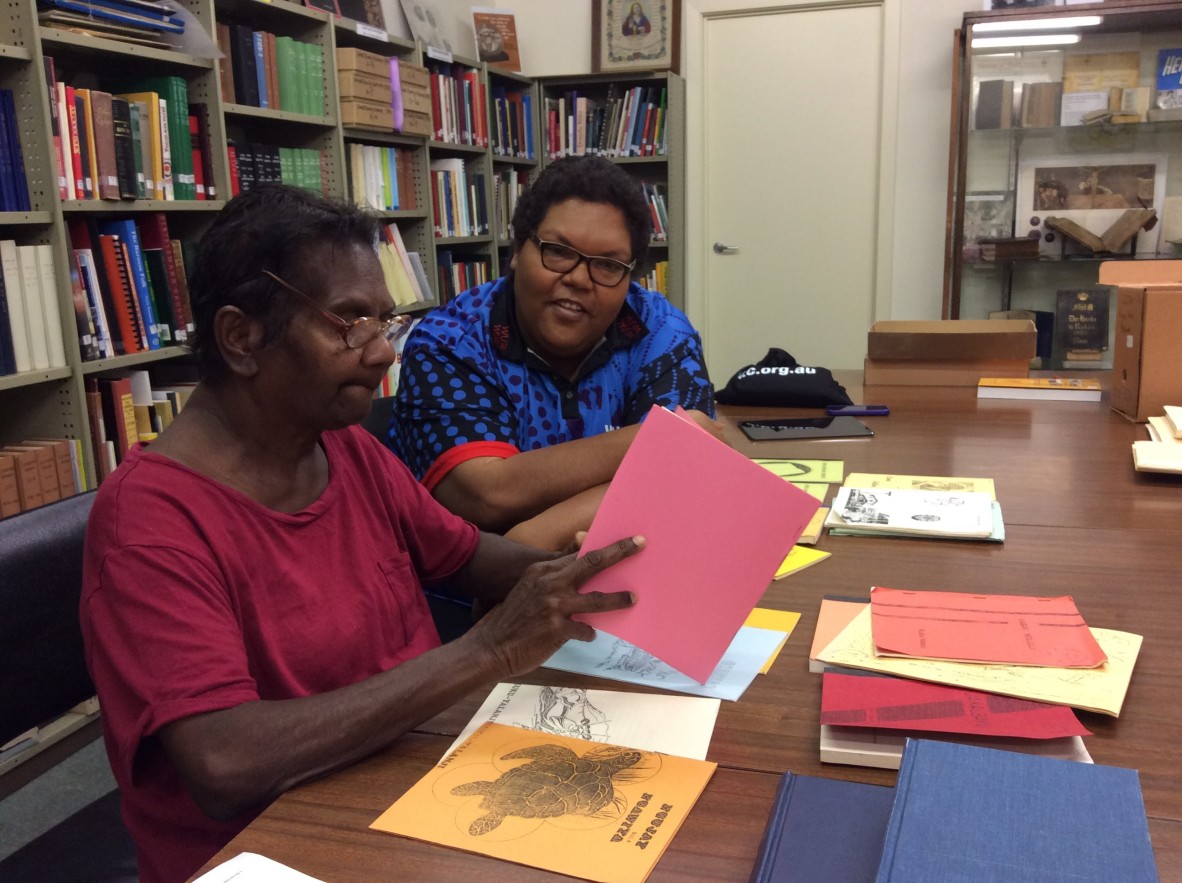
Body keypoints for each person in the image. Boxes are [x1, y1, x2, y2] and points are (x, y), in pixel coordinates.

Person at [79, 185, 641, 883]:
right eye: (348, 322)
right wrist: (488, 649)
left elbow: (469, 557)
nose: (381, 353)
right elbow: (225, 762)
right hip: (276, 850)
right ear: (240, 337)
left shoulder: (343, 449)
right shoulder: (152, 522)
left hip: (407, 794)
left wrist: (599, 574)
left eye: (385, 321)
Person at [389, 155, 722, 550]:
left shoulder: (659, 329)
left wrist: (536, 536)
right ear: (517, 251)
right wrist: (667, 439)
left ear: (631, 276)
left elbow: (688, 470)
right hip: (469, 594)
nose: (580, 279)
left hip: (627, 570)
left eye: (608, 265)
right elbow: (486, 495)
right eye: (559, 252)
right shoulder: (448, 341)